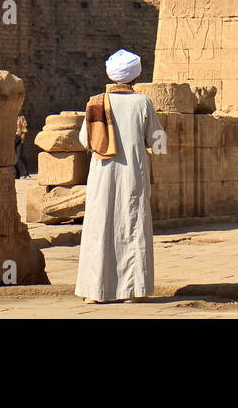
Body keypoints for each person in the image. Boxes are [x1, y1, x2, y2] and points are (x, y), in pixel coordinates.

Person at [75, 49, 163, 304]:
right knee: (132, 226)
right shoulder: (142, 103)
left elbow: (85, 140)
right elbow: (157, 141)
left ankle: (95, 292)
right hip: (132, 174)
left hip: (102, 174)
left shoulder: (95, 102)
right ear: (134, 77)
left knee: (99, 227)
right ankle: (133, 291)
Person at [14, 115, 28, 179]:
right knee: (13, 157)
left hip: (18, 138)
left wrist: (22, 138)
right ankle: (17, 174)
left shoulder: (21, 118)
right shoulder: (9, 116)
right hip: (11, 139)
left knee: (19, 156)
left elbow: (24, 129)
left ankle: (25, 173)